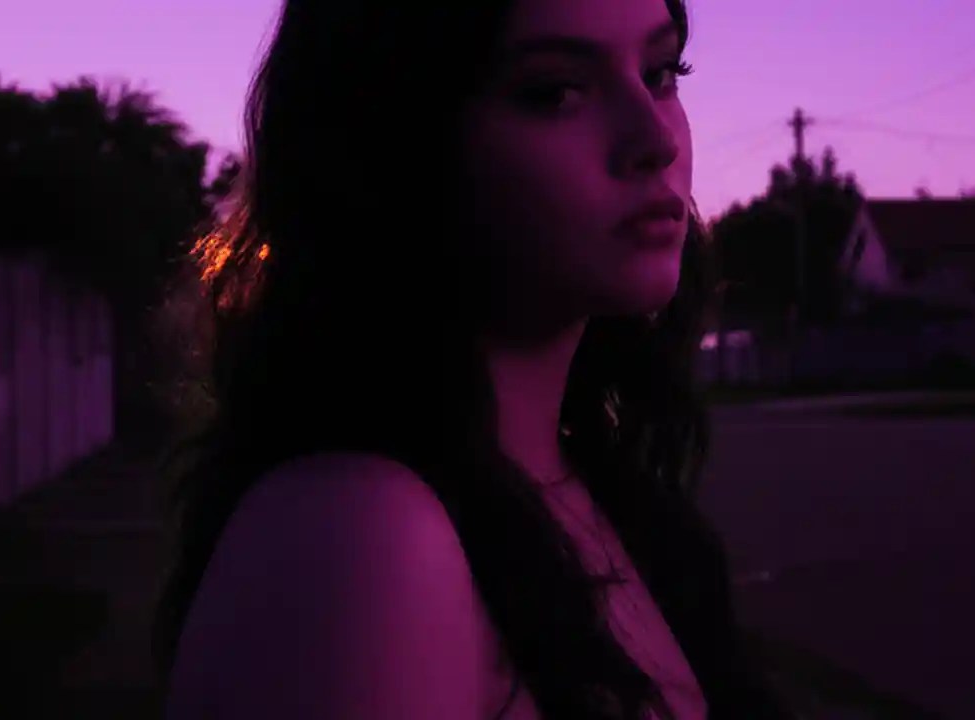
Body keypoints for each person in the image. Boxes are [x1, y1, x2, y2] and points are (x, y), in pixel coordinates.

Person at [151, 0, 792, 717]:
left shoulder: (593, 484)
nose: (656, 140)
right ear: (392, 143)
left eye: (661, 73)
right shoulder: (362, 531)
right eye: (554, 92)